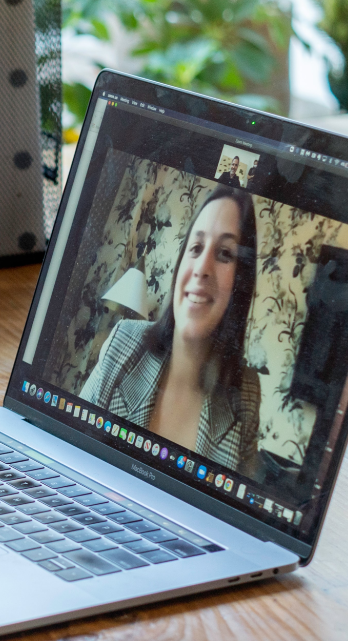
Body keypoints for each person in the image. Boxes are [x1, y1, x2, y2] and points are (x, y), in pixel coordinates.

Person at [79, 184, 262, 474]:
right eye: (196, 247)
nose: (202, 268)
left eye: (225, 253)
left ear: (240, 283)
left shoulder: (246, 393)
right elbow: (68, 445)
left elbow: (232, 511)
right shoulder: (123, 342)